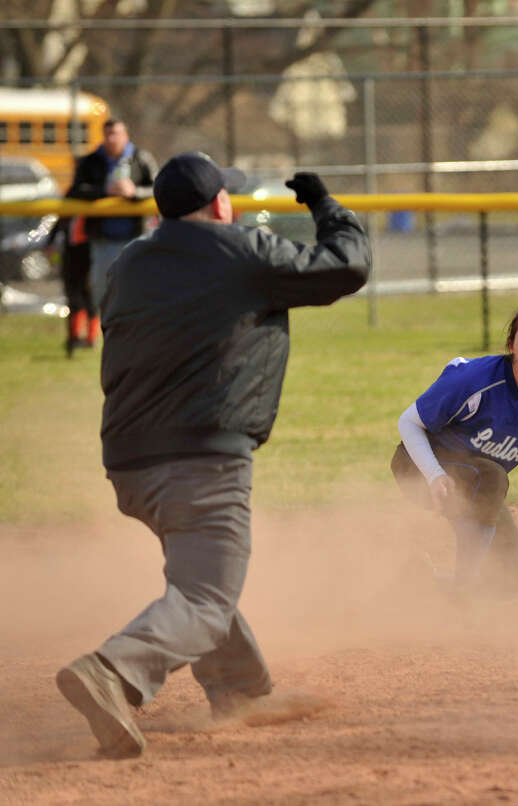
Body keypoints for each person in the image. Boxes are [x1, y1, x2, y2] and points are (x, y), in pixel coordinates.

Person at [55, 153, 370, 759]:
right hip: (200, 458)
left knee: (201, 577)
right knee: (204, 598)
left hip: (129, 463)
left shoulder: (128, 264)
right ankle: (113, 672)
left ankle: (241, 692)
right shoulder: (240, 252)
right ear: (220, 205)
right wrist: (327, 207)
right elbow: (347, 266)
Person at [390, 304, 518, 595]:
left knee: (512, 589)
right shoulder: (477, 380)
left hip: (478, 485)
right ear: (511, 346)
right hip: (418, 467)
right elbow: (408, 422)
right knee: (492, 477)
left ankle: (424, 583)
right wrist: (434, 476)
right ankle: (462, 592)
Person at [65, 118, 157, 318]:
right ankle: (107, 329)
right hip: (102, 238)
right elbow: (75, 191)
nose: (112, 139)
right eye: (108, 134)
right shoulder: (91, 161)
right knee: (103, 291)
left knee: (137, 289)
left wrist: (135, 192)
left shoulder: (140, 159)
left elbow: (157, 190)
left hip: (136, 237)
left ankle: (136, 328)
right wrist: (104, 190)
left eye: (117, 134)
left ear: (126, 136)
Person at [51, 213, 96, 356]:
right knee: (73, 297)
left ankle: (90, 337)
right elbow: (56, 228)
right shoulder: (68, 209)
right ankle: (74, 336)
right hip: (70, 254)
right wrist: (50, 243)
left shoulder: (90, 206)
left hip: (88, 253)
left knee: (88, 296)